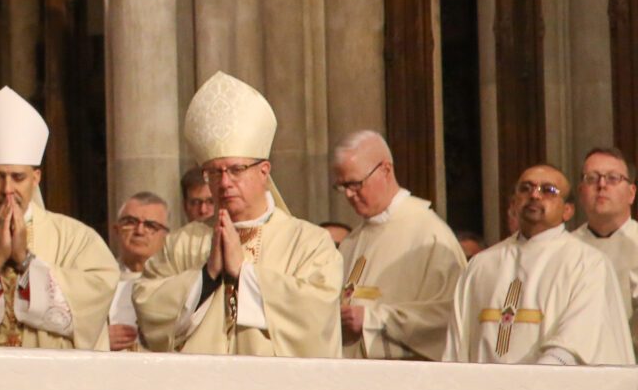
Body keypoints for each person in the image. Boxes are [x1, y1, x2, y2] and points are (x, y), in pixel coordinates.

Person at [133, 72, 341, 357]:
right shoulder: (183, 242)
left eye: (236, 169)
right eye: (213, 172)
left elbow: (318, 313)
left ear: (264, 171)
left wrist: (244, 272)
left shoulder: (309, 242)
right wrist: (207, 276)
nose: (224, 182)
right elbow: (146, 302)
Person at [0, 87, 117, 349]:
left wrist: (24, 261)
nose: (8, 189)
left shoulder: (76, 237)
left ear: (36, 179)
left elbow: (93, 305)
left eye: (18, 177)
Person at [447, 166, 636, 365]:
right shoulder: (482, 264)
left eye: (548, 190)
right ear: (513, 204)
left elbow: (579, 338)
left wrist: (534, 383)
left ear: (567, 210)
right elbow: (457, 342)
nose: (535, 195)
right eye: (525, 188)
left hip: (553, 388)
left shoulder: (586, 263)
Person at [331, 130, 466, 361]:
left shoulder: (430, 235)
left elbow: (450, 316)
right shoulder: (353, 240)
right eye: (343, 187)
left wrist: (370, 320)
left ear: (385, 170)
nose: (350, 195)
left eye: (355, 184)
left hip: (403, 378)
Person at [572, 146, 638, 351]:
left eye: (612, 178)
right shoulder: (565, 249)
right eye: (592, 178)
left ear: (631, 193)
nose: (601, 185)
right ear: (581, 191)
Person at [104, 192, 170, 351]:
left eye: (151, 226)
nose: (140, 230)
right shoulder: (97, 278)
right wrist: (100, 340)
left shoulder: (174, 282)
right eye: (130, 222)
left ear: (166, 236)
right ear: (116, 229)